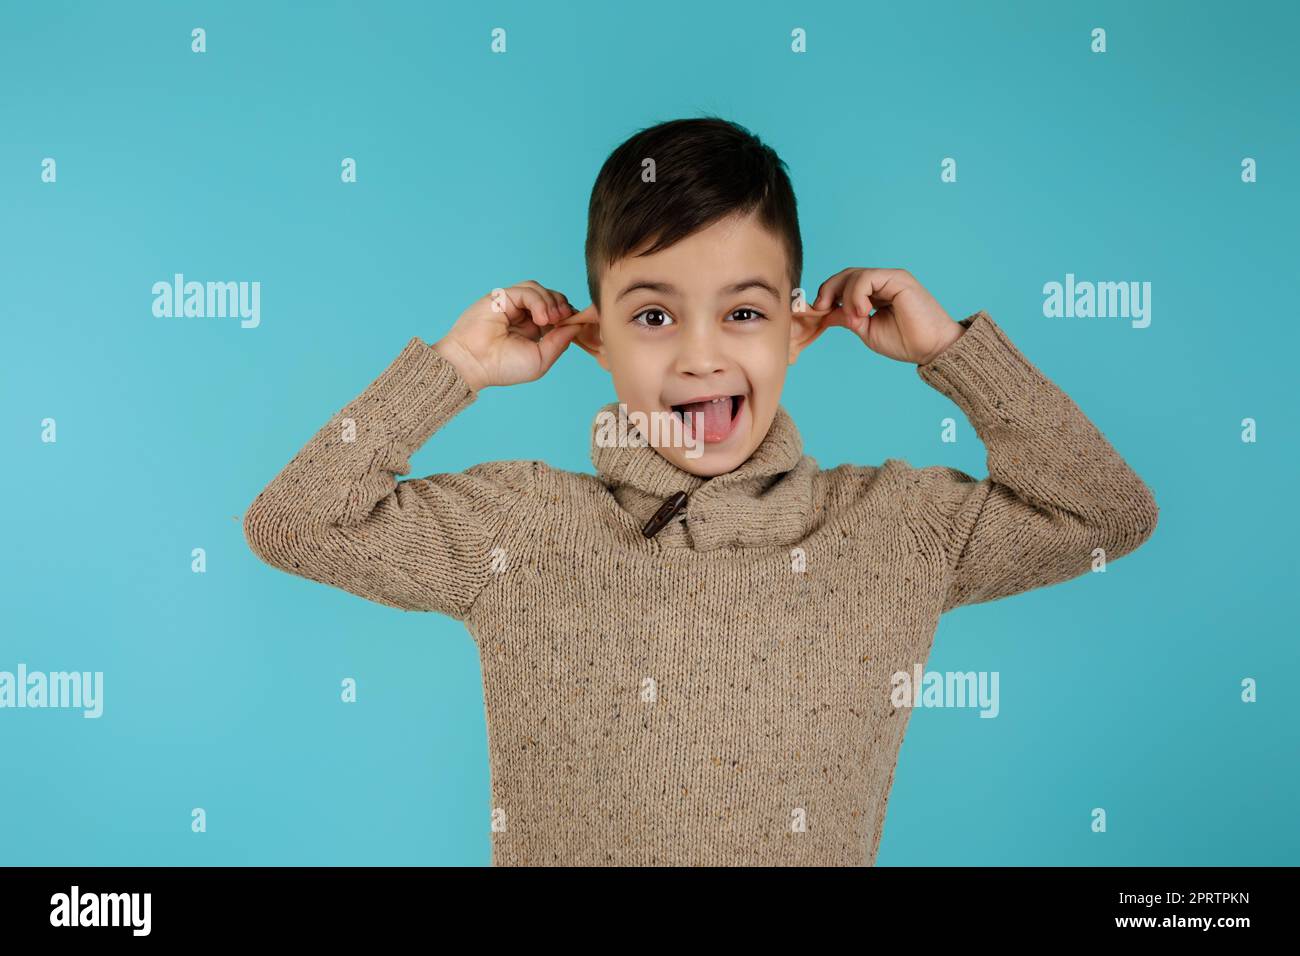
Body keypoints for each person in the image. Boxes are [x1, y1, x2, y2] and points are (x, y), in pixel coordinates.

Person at [243, 116, 1158, 866]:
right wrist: (453, 369)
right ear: (594, 338)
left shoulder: (896, 527)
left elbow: (1104, 514)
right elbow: (297, 521)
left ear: (800, 331)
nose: (700, 355)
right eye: (651, 315)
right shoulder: (519, 529)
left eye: (745, 313)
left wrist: (955, 354)